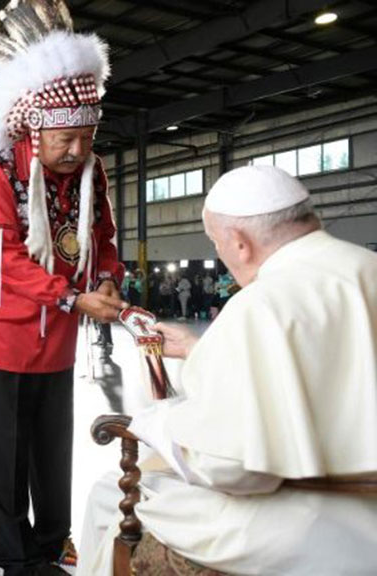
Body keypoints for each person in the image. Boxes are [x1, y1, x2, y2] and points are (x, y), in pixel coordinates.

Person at [78, 166, 377, 575]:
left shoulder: (261, 303)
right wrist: (198, 350)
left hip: (313, 528)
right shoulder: (366, 267)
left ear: (240, 244)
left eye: (217, 245)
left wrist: (157, 423)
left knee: (109, 493)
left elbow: (231, 467)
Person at [0, 7, 127, 575]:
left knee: (52, 451)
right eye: (67, 138)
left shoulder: (92, 174)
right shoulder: (2, 170)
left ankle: (51, 543)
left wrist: (108, 277)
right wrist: (72, 298)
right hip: (7, 343)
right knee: (9, 453)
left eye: (87, 138)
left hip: (59, 344)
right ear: (37, 129)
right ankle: (17, 559)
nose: (77, 150)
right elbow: (1, 263)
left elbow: (103, 239)